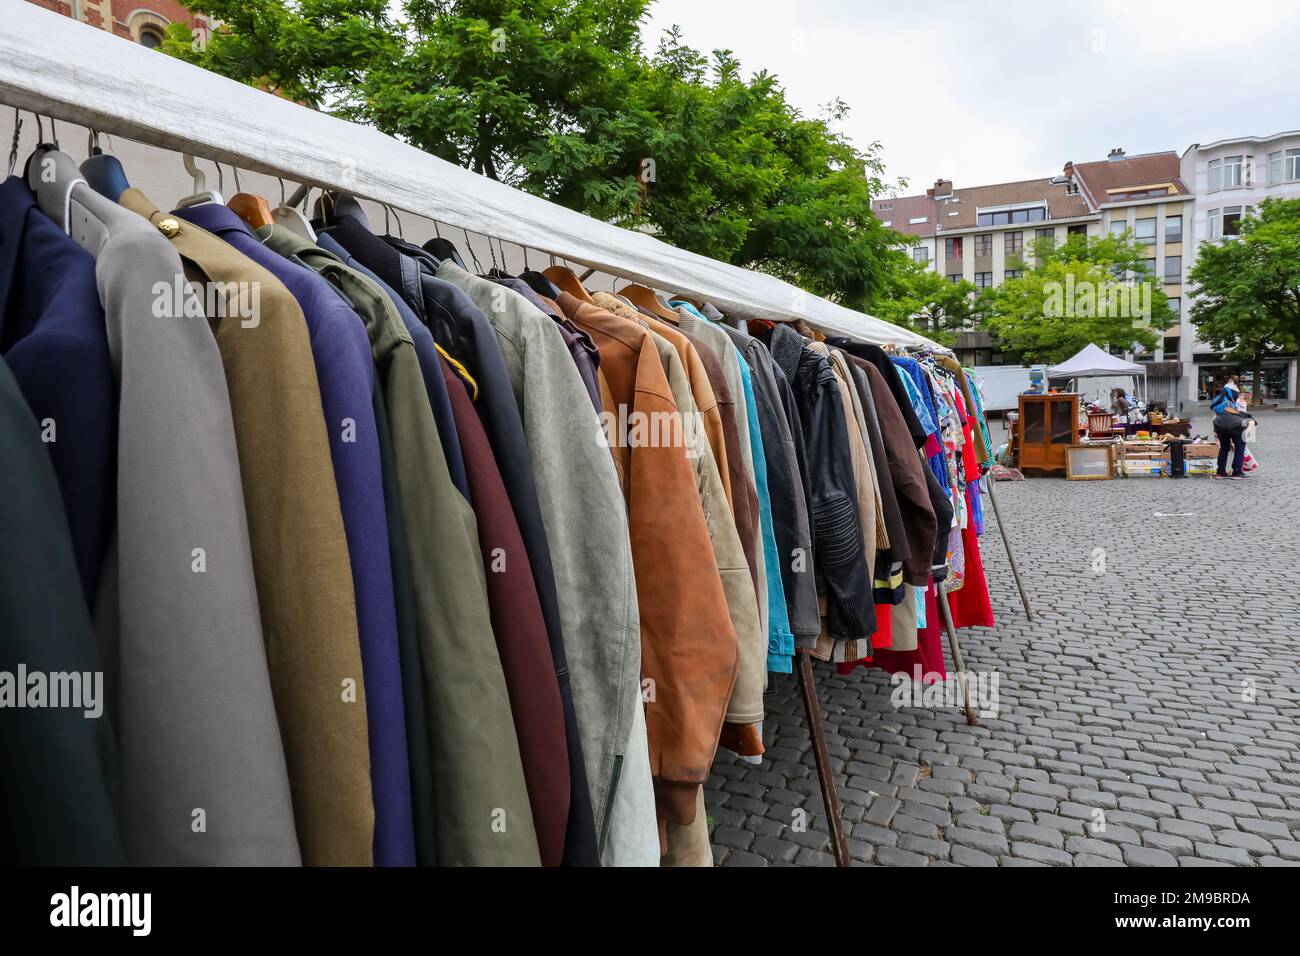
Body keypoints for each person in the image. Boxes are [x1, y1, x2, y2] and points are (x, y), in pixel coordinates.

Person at [1211, 378, 1251, 480]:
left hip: (1220, 426)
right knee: (1240, 447)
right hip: (1236, 426)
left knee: (1224, 448)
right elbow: (1249, 420)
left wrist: (1215, 434)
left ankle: (1220, 473)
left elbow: (1215, 418)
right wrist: (1247, 434)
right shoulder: (1238, 405)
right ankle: (1237, 472)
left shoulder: (1219, 402)